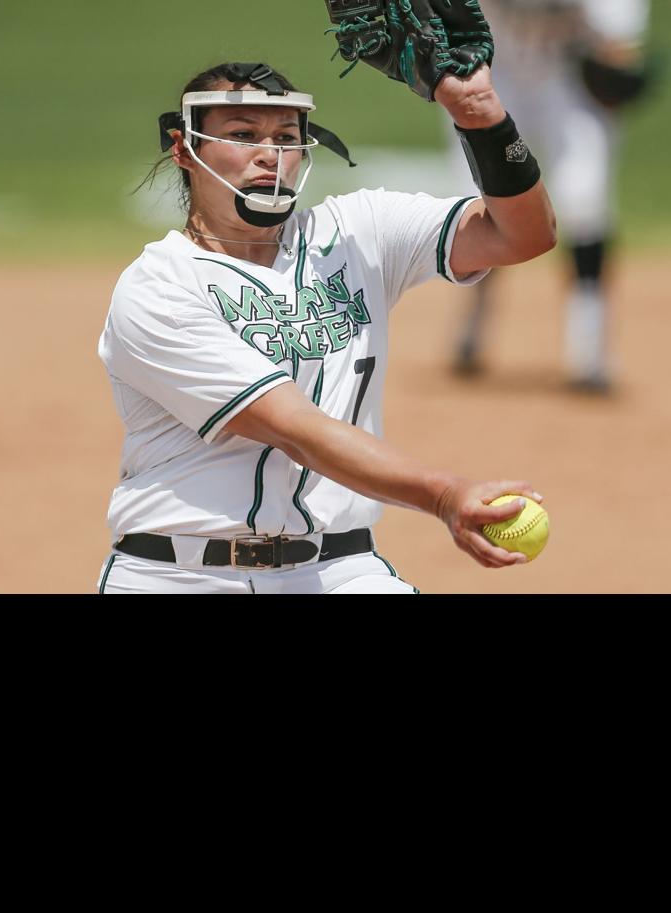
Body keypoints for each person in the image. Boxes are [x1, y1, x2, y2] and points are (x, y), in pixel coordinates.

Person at [95, 10, 557, 594]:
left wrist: (481, 114)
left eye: (286, 137)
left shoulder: (357, 232)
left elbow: (524, 235)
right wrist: (441, 494)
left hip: (336, 571)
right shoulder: (159, 287)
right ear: (185, 151)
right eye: (241, 135)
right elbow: (295, 429)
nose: (269, 153)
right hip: (179, 575)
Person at [445, 0, 652, 394]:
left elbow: (619, 45)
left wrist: (618, 63)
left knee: (584, 200)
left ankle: (589, 349)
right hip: (492, 74)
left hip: (568, 83)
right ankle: (475, 317)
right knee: (480, 200)